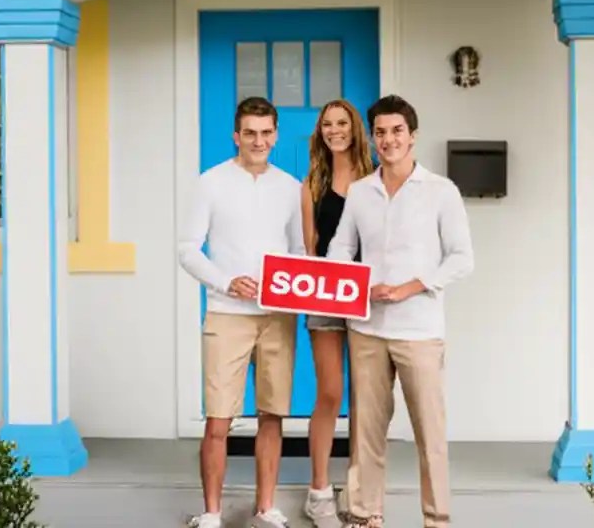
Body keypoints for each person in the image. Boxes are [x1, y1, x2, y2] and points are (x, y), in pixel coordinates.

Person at [327, 95, 473, 528]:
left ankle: (437, 520)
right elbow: (340, 248)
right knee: (366, 433)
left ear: (412, 136)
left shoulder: (441, 191)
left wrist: (412, 286)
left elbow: (462, 258)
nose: (388, 139)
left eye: (396, 131)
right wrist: (356, 284)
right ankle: (365, 515)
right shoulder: (360, 191)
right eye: (380, 132)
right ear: (372, 138)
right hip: (367, 328)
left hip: (420, 331)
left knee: (430, 433)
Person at [177, 96, 306, 528]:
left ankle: (266, 507)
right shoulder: (211, 182)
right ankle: (211, 513)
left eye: (266, 133)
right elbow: (188, 249)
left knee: (273, 414)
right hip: (226, 313)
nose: (258, 141)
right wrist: (226, 281)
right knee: (218, 419)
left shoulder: (291, 188)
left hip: (277, 315)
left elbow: (299, 251)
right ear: (236, 136)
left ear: (276, 135)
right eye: (250, 133)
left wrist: (289, 287)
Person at [298, 99, 374, 527]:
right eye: (327, 124)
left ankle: (359, 492)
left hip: (369, 300)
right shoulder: (312, 183)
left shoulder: (375, 178)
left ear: (354, 127)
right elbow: (310, 248)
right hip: (326, 297)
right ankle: (319, 491)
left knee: (367, 398)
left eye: (342, 122)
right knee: (330, 392)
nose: (334, 130)